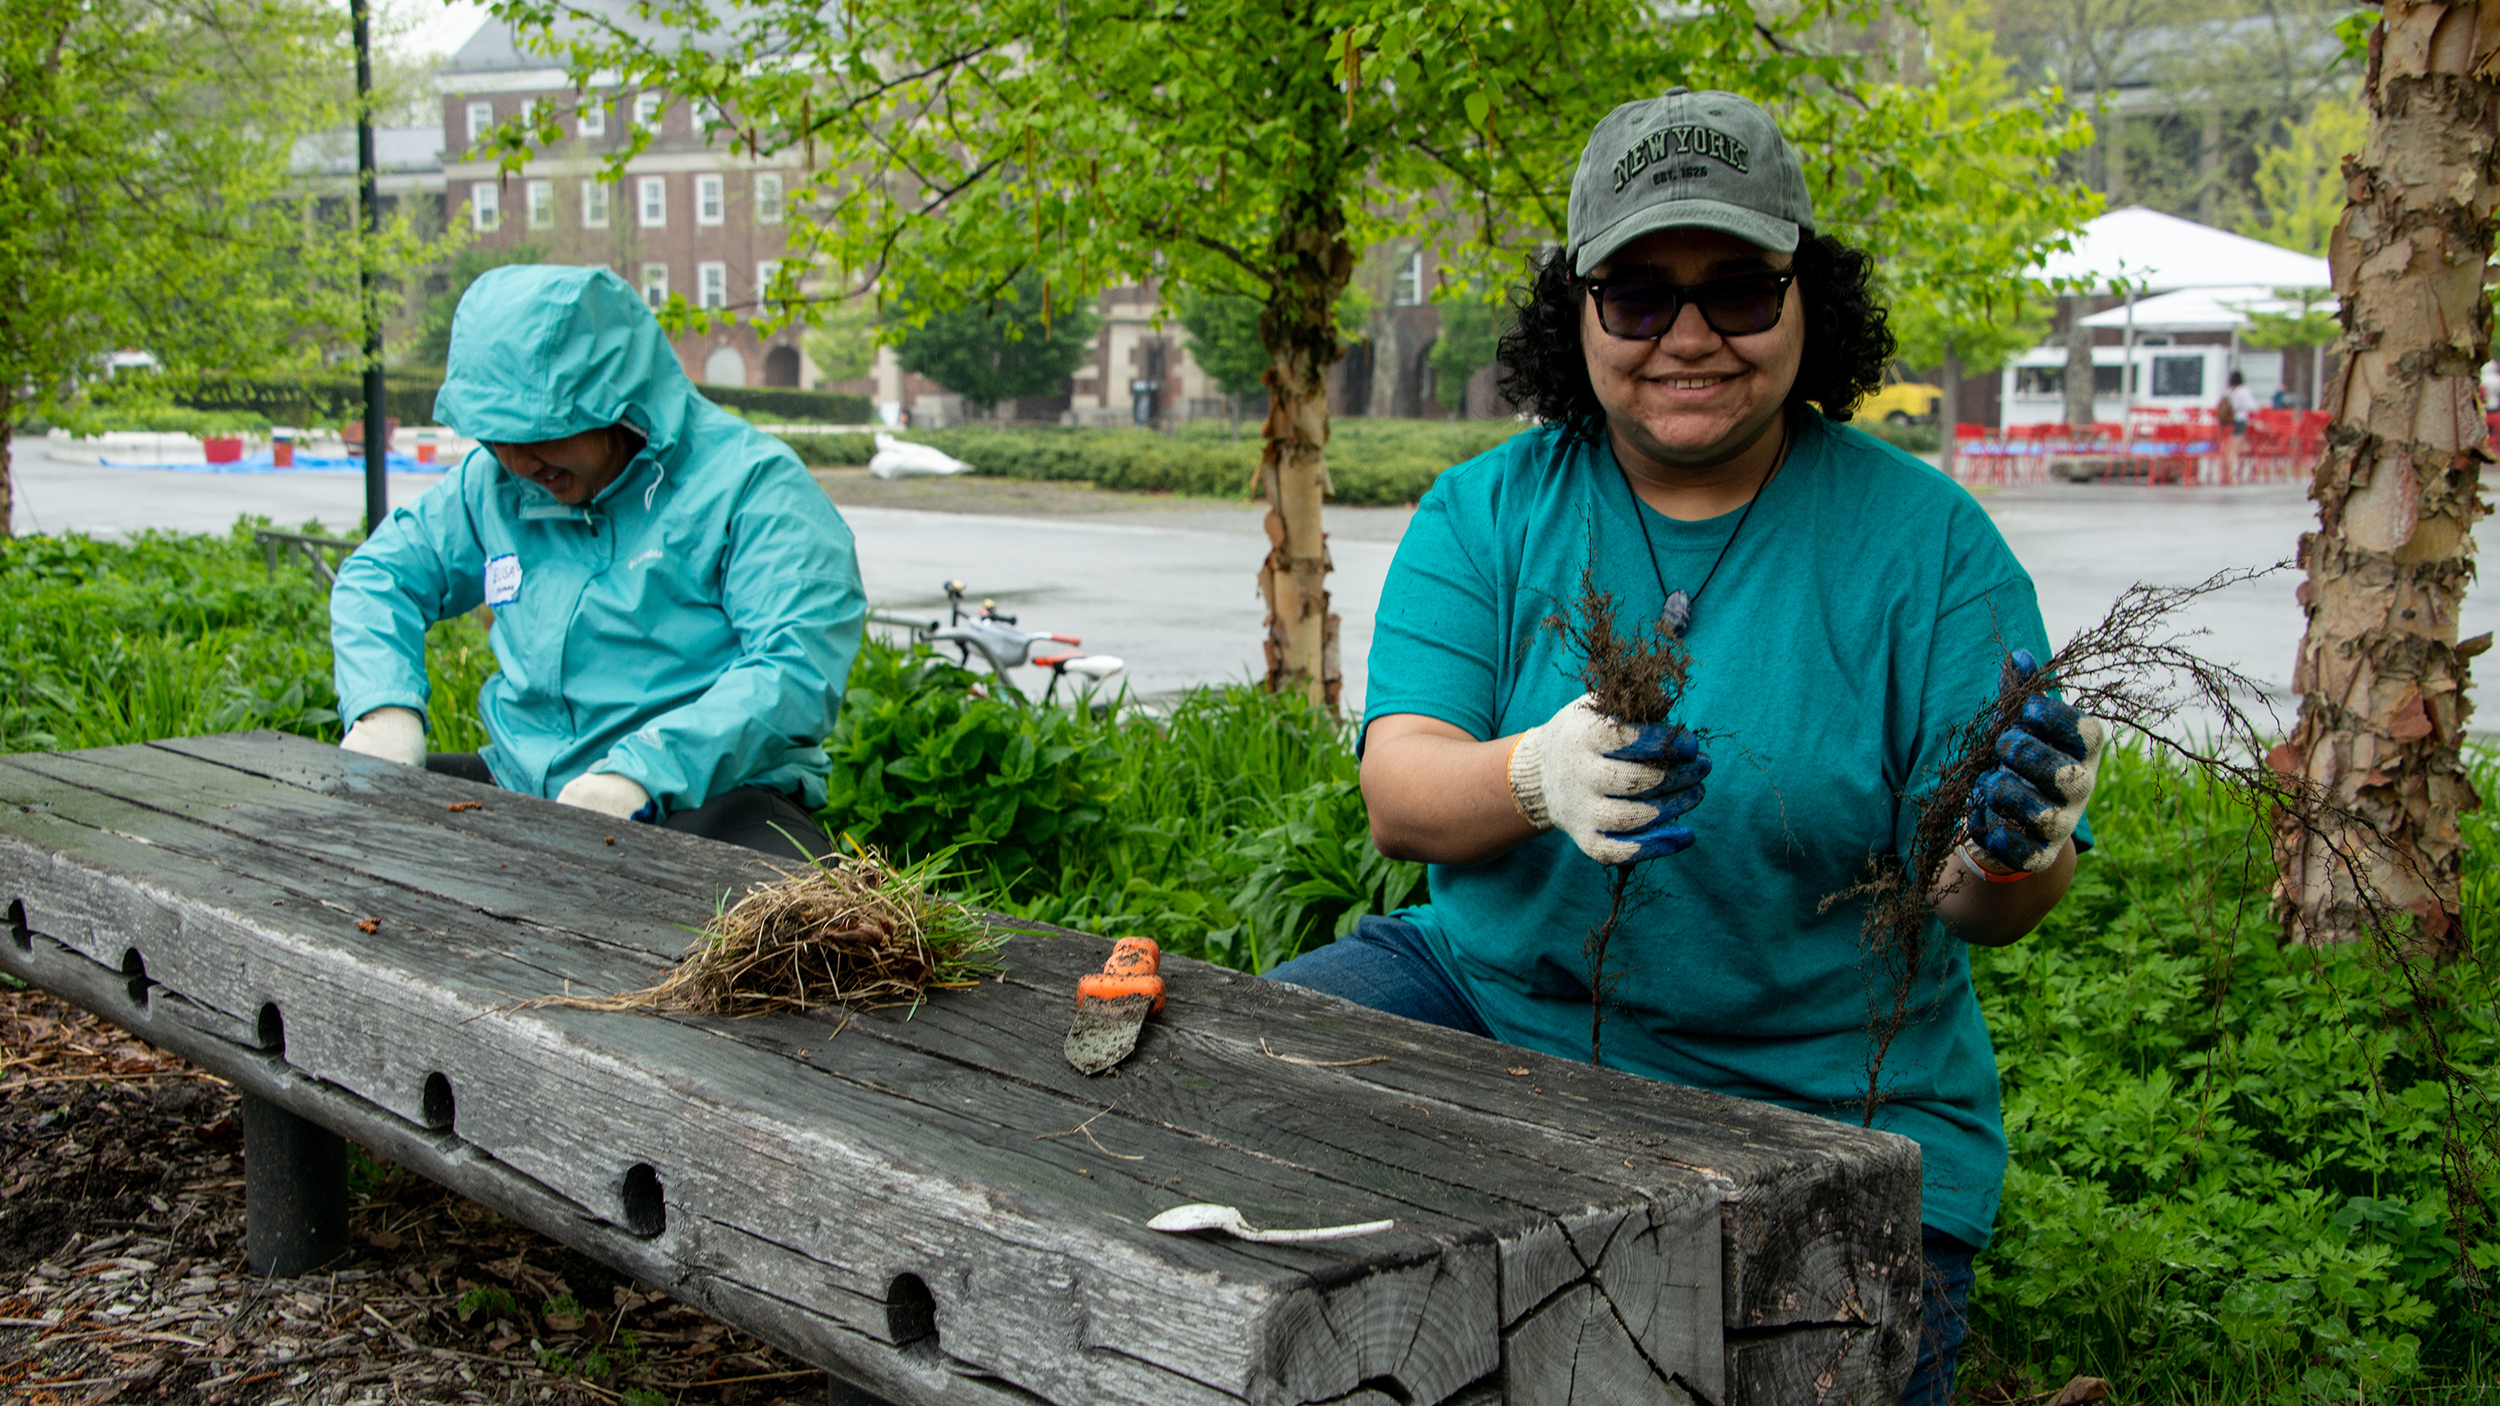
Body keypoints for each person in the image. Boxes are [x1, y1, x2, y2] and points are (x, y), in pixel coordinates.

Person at [1265, 90, 2103, 1404]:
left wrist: (2016, 840)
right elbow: (1401, 794)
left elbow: (1984, 904)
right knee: (1243, 1073)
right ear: (1579, 309)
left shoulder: (1929, 547)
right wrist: (1532, 772)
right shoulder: (1487, 510)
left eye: (1739, 291)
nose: (1690, 337)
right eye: (1640, 297)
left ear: (1807, 298)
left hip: (1835, 1097)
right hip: (1503, 1008)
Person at [329, 265, 866, 864]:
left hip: (710, 800)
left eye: (542, 433)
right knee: (343, 837)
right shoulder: (495, 484)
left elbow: (796, 665)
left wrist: (642, 772)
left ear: (620, 403)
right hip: (523, 782)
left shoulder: (752, 488)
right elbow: (382, 577)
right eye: (493, 436)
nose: (516, 462)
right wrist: (384, 709)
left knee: (782, 934)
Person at [2216, 370, 2261, 483]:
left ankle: (2224, 476)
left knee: (2226, 450)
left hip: (2226, 422)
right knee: (2233, 451)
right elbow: (2251, 405)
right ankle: (2232, 477)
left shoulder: (2228, 391)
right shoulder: (2244, 390)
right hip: (2239, 420)